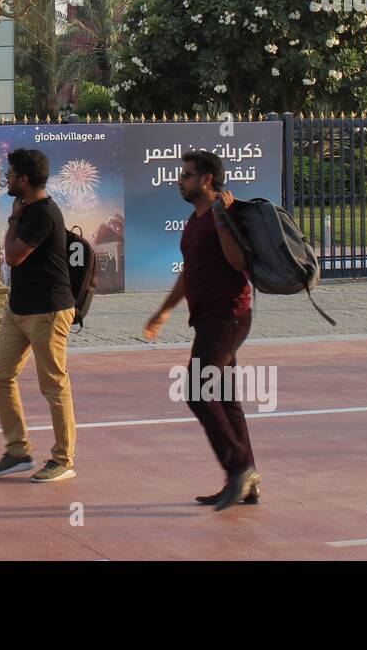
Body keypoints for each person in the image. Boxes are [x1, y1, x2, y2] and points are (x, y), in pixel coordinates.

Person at [144, 150, 259, 512]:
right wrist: (162, 313)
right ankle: (247, 482)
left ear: (207, 179)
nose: (180, 180)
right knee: (225, 399)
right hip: (208, 317)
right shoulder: (194, 220)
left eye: (188, 174)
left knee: (196, 391)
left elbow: (239, 262)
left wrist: (223, 219)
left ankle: (239, 468)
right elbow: (189, 273)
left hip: (229, 315)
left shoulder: (224, 213)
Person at [0, 148, 78, 482]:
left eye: (10, 174)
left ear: (23, 180)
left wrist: (12, 218)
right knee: (0, 374)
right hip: (19, 309)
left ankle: (64, 458)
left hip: (48, 312)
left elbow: (11, 257)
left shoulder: (41, 213)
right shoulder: (29, 209)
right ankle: (18, 451)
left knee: (53, 385)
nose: (6, 179)